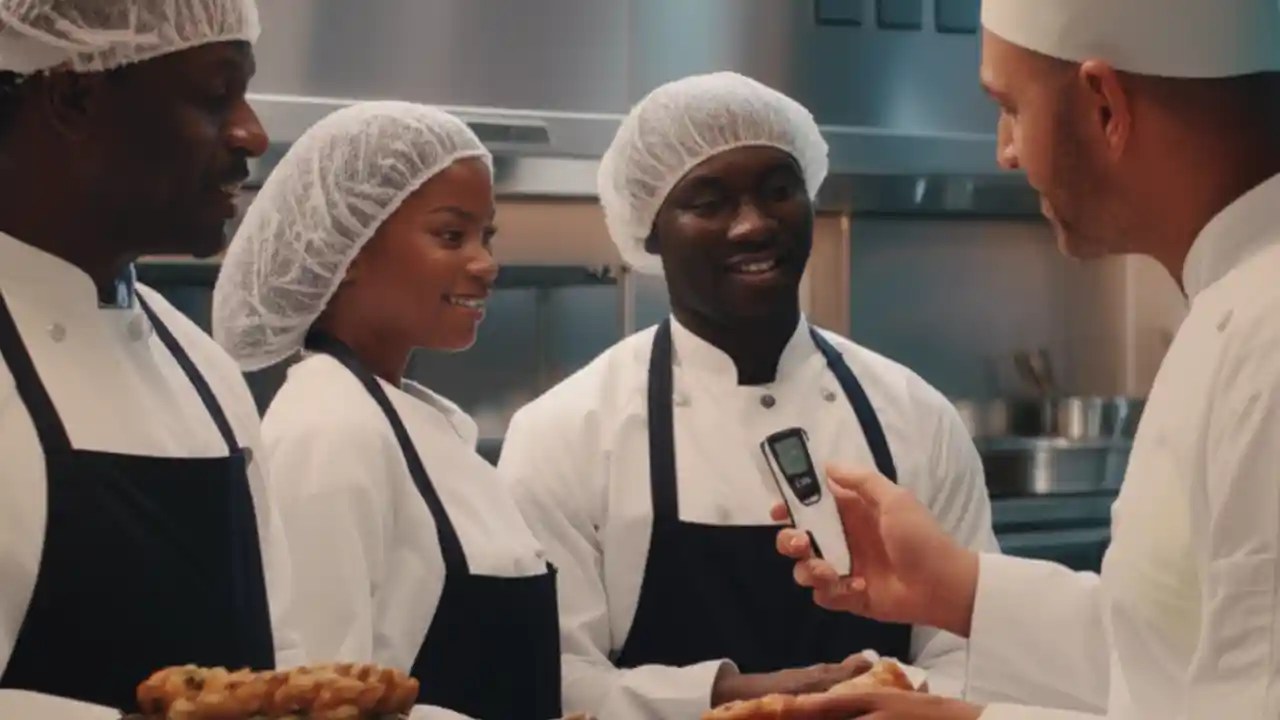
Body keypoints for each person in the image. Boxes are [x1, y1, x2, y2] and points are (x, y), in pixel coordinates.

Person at [778, 0, 1280, 718]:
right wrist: (958, 587)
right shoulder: (1233, 303)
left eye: (1010, 107)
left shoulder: (1266, 342)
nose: (1004, 151)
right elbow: (1165, 657)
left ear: (1105, 104)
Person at [498, 71, 999, 720]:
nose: (754, 225)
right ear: (650, 228)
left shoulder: (914, 415)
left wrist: (870, 695)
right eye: (709, 202)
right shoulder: (566, 432)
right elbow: (548, 676)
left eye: (779, 190)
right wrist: (736, 698)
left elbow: (976, 646)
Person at [0, 0, 304, 714]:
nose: (253, 134)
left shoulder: (207, 373)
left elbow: (284, 664)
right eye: (214, 93)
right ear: (75, 96)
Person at [212, 101, 561, 720]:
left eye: (486, 236)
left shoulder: (422, 419)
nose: (485, 264)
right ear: (344, 251)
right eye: (451, 235)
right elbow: (321, 699)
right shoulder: (327, 427)